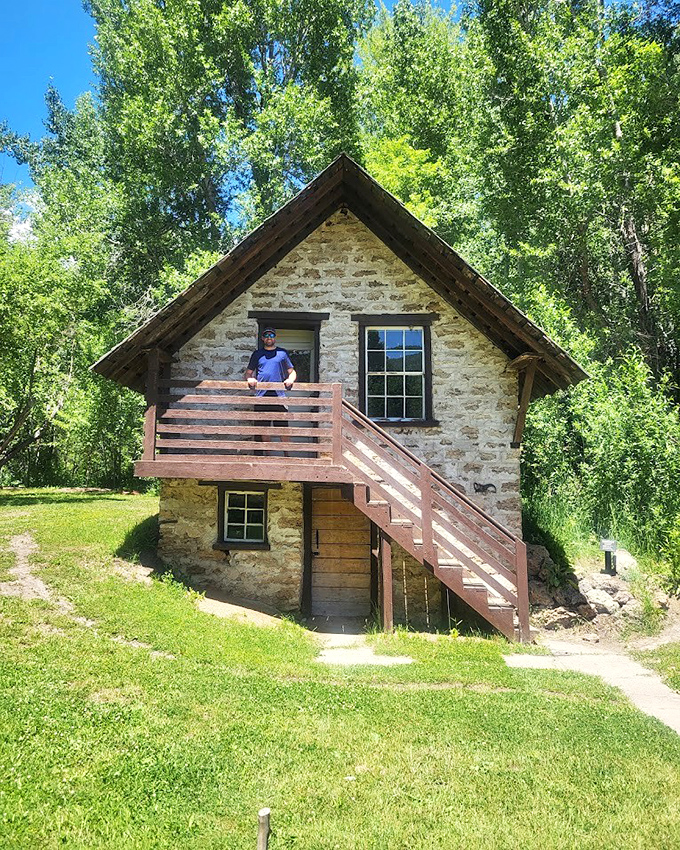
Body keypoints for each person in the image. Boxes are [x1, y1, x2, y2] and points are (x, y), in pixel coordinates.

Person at [245, 328, 296, 454]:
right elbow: (248, 373)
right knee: (264, 428)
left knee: (283, 428)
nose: (269, 337)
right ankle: (268, 455)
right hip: (262, 395)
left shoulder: (282, 353)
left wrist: (290, 380)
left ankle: (287, 455)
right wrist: (250, 379)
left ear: (275, 337)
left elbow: (292, 372)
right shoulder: (257, 354)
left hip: (279, 395)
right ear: (262, 338)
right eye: (266, 335)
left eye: (271, 335)